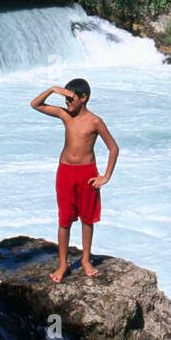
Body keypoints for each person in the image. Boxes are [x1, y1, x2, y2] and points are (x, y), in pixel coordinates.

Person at [30, 78, 120, 283]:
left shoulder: (95, 121)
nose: (67, 101)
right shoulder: (65, 115)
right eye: (65, 97)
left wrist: (105, 176)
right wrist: (53, 89)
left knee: (87, 218)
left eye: (71, 97)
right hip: (65, 172)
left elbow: (114, 148)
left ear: (84, 98)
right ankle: (63, 264)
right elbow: (35, 104)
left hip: (87, 174)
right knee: (64, 219)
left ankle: (86, 260)